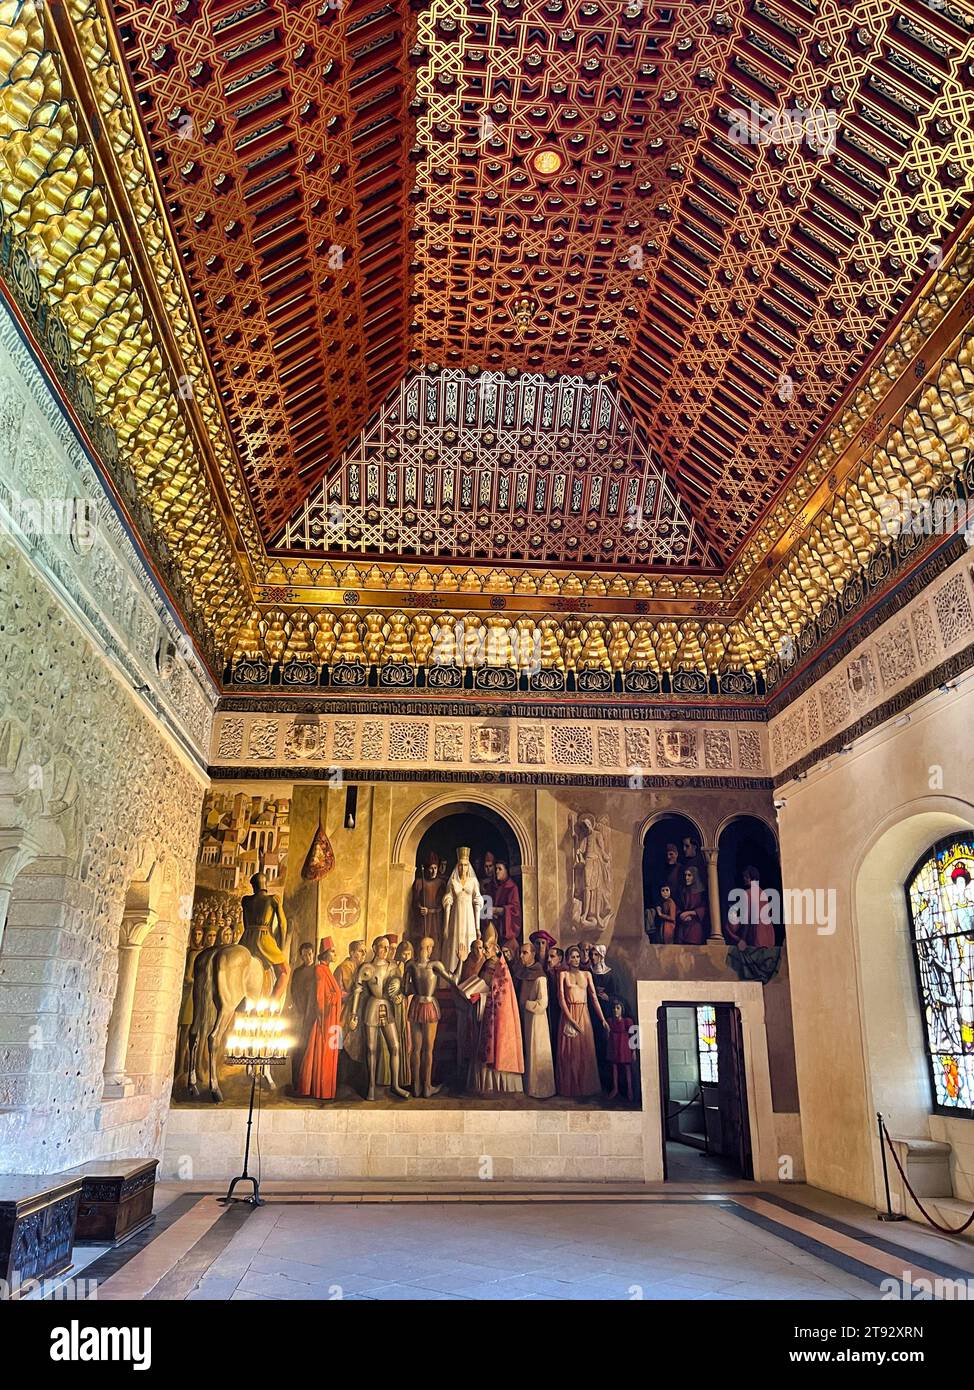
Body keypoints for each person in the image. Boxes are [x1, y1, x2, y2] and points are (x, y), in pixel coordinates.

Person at [347, 936, 410, 1101]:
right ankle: (371, 1086)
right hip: (372, 1007)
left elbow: (399, 990)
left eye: (388, 947)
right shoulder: (366, 968)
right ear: (374, 948)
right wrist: (353, 1015)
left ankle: (395, 1086)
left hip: (387, 1008)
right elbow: (357, 990)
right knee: (371, 1049)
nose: (386, 950)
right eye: (382, 947)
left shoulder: (393, 967)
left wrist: (399, 997)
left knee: (395, 1046)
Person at [459, 947, 524, 1094]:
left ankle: (497, 1086)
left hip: (497, 1028)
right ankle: (482, 1084)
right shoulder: (484, 981)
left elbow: (500, 1002)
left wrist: (482, 998)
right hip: (481, 1024)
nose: (487, 974)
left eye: (491, 971)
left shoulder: (504, 984)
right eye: (486, 970)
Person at [403, 937, 457, 1098]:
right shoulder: (435, 965)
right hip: (429, 1006)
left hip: (416, 1006)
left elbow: (406, 990)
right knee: (428, 1049)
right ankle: (426, 1087)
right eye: (431, 947)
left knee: (416, 1049)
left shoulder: (410, 965)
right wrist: (460, 961)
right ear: (428, 948)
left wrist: (417, 985)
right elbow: (454, 979)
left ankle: (416, 1087)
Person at [556, 944, 608, 1098]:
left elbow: (594, 998)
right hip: (568, 1014)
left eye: (578, 956)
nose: (576, 959)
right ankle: (570, 1089)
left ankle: (585, 1088)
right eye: (572, 956)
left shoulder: (587, 975)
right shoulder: (563, 975)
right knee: (569, 1054)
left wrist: (603, 1019)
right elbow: (561, 999)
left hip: (584, 1014)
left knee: (585, 1052)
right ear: (567, 959)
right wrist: (570, 1020)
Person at [298, 938, 343, 1101]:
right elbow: (319, 998)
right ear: (325, 953)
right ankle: (321, 1090)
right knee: (323, 1054)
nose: (335, 953)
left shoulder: (327, 970)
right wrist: (332, 1000)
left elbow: (332, 993)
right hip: (325, 1020)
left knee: (331, 1053)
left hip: (333, 1020)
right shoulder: (319, 970)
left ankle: (327, 1091)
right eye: (332, 951)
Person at [240, 870, 289, 1000]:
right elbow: (283, 924)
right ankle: (273, 1001)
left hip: (246, 938)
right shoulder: (272, 899)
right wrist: (281, 948)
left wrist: (248, 936)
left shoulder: (246, 900)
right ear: (265, 884)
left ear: (254, 886)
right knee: (285, 970)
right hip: (264, 938)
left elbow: (245, 923)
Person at [517, 941, 555, 1099]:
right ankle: (530, 1087)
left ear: (533, 954)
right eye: (521, 952)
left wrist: (526, 1004)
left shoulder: (540, 976)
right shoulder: (523, 972)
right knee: (529, 1051)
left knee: (537, 1052)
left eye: (524, 952)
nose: (521, 956)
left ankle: (541, 1090)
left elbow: (543, 1003)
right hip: (527, 1018)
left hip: (537, 1021)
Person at [441, 847, 484, 975]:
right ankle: (453, 976)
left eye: (465, 865)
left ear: (468, 866)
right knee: (455, 943)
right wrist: (446, 926)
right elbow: (448, 902)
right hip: (456, 917)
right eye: (460, 865)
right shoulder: (453, 882)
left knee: (469, 942)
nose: (463, 868)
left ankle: (467, 975)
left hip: (469, 918)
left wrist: (477, 927)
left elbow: (477, 902)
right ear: (457, 866)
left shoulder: (473, 881)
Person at [289, 941, 316, 1090]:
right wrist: (299, 1009)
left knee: (311, 1048)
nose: (308, 957)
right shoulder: (297, 972)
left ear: (314, 953)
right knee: (298, 1047)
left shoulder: (317, 971)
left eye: (310, 953)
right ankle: (296, 1082)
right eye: (305, 954)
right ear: (301, 956)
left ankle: (310, 1082)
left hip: (313, 1016)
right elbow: (293, 992)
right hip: (300, 1015)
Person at [411, 851, 446, 949]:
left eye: (435, 868)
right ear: (427, 868)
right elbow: (415, 901)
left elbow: (442, 906)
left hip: (435, 921)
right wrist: (420, 908)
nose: (433, 871)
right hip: (423, 921)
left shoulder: (441, 884)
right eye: (431, 868)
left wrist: (430, 911)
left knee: (435, 945)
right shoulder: (419, 882)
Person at [606, 998, 635, 1102]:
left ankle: (630, 1090)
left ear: (622, 1009)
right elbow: (608, 1036)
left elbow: (632, 1036)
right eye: (614, 1008)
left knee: (627, 1068)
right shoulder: (609, 1021)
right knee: (614, 1067)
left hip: (624, 1047)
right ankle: (615, 1089)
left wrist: (633, 1051)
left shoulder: (627, 1021)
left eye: (618, 1008)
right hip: (614, 1046)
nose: (615, 1010)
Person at [491, 860, 523, 949]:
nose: (497, 871)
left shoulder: (512, 887)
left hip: (506, 931)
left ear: (506, 871)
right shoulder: (496, 887)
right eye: (496, 869)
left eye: (500, 869)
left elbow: (515, 910)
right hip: (497, 929)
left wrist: (497, 910)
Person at [676, 866, 707, 945]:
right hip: (683, 924)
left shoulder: (702, 892)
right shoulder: (682, 891)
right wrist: (681, 915)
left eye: (689, 875)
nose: (686, 878)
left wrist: (690, 913)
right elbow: (678, 906)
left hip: (695, 924)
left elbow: (704, 908)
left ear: (695, 876)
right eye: (685, 875)